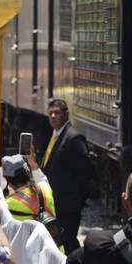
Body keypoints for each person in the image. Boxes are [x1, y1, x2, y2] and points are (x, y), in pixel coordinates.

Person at [40, 98, 90, 253]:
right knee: (59, 241)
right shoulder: (55, 135)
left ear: (66, 115)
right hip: (55, 202)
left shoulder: (73, 137)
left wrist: (79, 199)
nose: (54, 116)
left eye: (57, 113)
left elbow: (84, 172)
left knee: (68, 241)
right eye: (51, 113)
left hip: (68, 203)